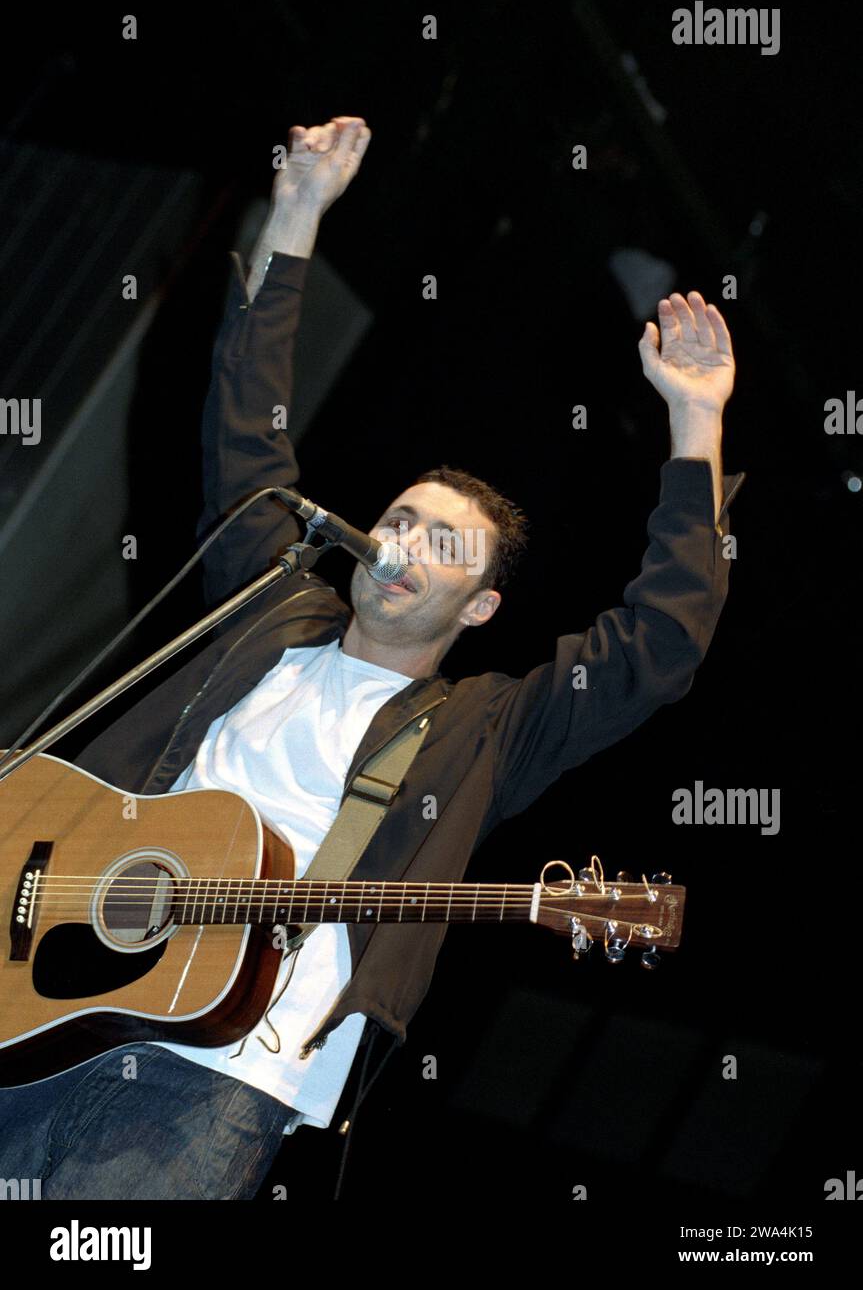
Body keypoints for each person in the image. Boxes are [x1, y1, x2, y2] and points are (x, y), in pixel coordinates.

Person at [0, 116, 744, 1200]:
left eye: (442, 544)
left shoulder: (486, 727)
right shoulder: (270, 608)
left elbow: (657, 647)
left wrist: (694, 427)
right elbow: (243, 430)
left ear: (480, 605)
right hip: (46, 1000)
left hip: (215, 1084)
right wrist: (294, 217)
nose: (402, 544)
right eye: (396, 520)